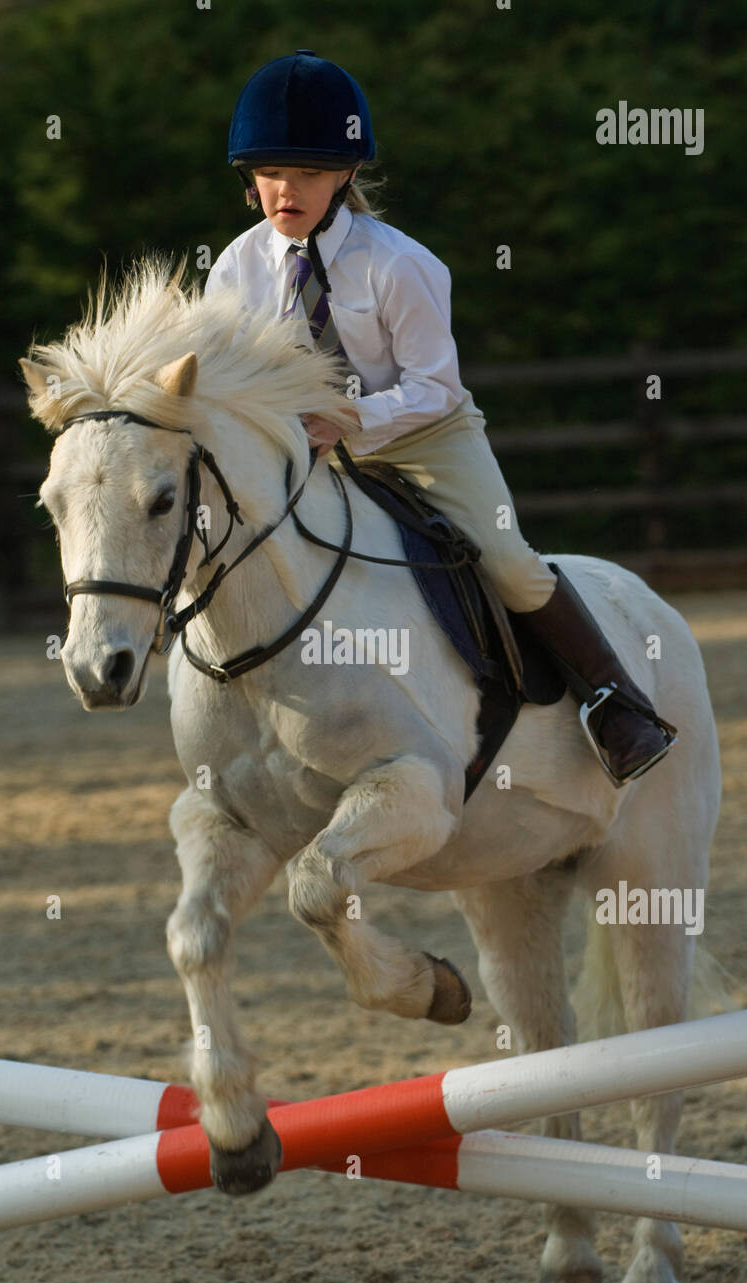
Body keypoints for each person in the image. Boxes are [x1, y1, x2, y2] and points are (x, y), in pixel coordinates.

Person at [204, 49, 676, 785]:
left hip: (425, 435)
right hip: (307, 450)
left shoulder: (401, 264)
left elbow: (437, 387)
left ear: (348, 173)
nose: (284, 190)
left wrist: (349, 422)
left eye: (307, 173)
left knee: (510, 565)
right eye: (269, 172)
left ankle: (618, 706)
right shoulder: (233, 271)